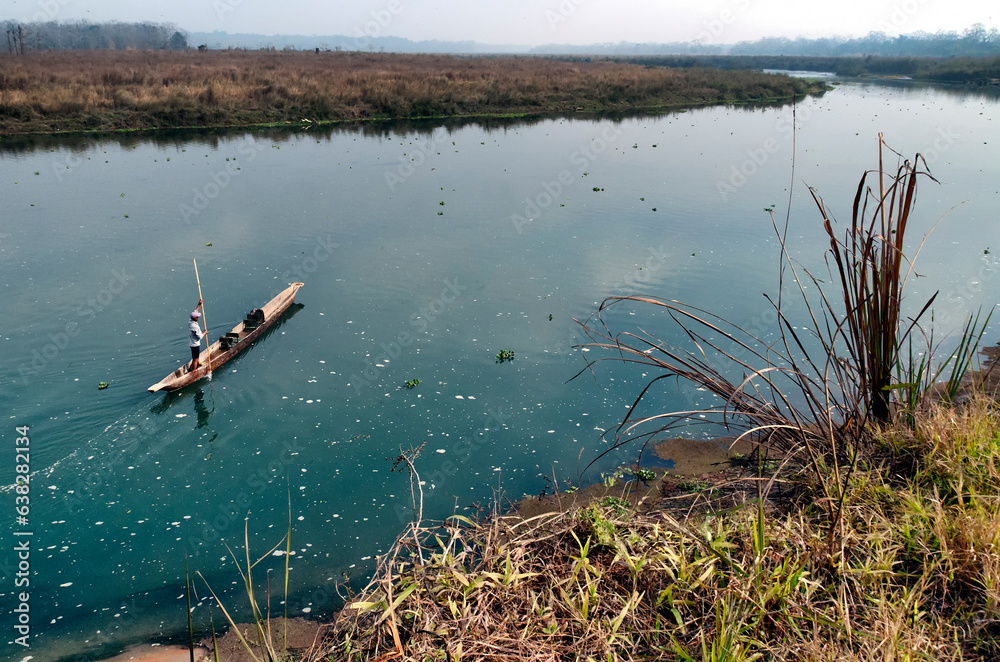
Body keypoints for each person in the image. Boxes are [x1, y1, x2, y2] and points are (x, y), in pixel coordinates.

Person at [188, 299, 204, 372]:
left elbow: (195, 311)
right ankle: (193, 372)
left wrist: (199, 304)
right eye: (197, 317)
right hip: (195, 344)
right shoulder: (195, 327)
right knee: (196, 359)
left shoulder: (190, 321)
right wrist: (205, 333)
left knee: (195, 357)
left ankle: (192, 368)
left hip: (191, 343)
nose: (198, 317)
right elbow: (200, 336)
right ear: (195, 318)